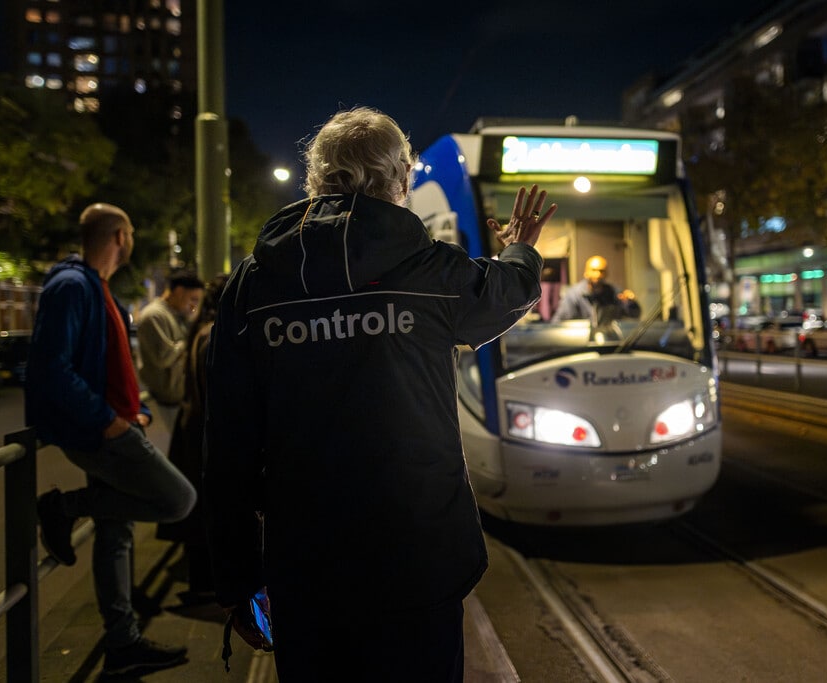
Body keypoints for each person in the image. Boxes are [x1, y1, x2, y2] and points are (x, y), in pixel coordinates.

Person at [202, 106, 556, 682]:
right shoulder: (427, 270)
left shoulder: (254, 283)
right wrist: (519, 247)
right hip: (419, 560)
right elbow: (507, 292)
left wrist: (236, 580)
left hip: (306, 562)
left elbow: (228, 445)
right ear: (400, 180)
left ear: (316, 178)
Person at [26, 203, 197, 676]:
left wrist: (135, 411)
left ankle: (122, 642)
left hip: (117, 423)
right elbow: (50, 369)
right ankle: (64, 507)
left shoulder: (96, 288)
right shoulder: (72, 287)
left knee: (116, 529)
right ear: (120, 236)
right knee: (179, 499)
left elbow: (110, 369)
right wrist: (108, 420)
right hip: (101, 432)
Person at [156, 272, 229, 603]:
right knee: (207, 512)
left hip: (193, 432)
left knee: (201, 513)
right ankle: (207, 585)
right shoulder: (215, 335)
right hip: (205, 436)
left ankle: (204, 582)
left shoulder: (200, 330)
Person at [137, 270, 204, 434]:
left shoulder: (177, 315)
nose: (194, 306)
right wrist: (189, 341)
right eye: (193, 299)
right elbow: (164, 357)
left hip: (177, 401)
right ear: (179, 291)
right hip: (164, 403)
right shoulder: (154, 315)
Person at [551, 254, 641, 322]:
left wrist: (631, 303)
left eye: (601, 271)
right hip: (582, 341)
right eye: (594, 270)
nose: (598, 274)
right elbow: (560, 322)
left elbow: (635, 315)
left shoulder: (614, 292)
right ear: (586, 272)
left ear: (606, 273)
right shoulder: (573, 295)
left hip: (608, 341)